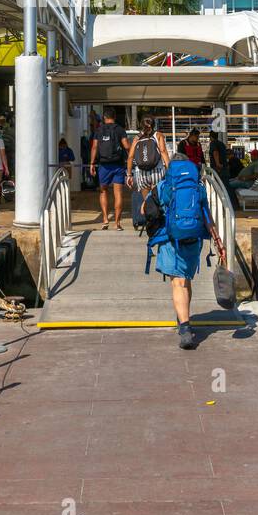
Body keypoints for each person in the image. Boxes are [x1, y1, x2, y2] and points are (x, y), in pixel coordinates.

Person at [144, 151, 215, 350]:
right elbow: (206, 216)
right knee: (186, 280)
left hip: (171, 239)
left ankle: (184, 328)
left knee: (178, 283)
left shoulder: (163, 186)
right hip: (193, 239)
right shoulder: (197, 187)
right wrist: (217, 240)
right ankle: (183, 316)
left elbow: (144, 210)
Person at [89, 106, 130, 230]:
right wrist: (131, 157)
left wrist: (92, 163)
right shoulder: (120, 129)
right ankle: (117, 223)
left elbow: (95, 147)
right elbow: (126, 146)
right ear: (115, 117)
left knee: (103, 191)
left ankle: (105, 219)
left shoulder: (99, 130)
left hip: (103, 165)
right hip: (118, 165)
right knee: (118, 194)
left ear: (104, 117)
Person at [126, 117, 169, 229]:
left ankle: (150, 223)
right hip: (157, 172)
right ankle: (160, 225)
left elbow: (130, 157)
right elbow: (163, 152)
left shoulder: (137, 138)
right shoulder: (158, 135)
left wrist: (129, 175)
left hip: (142, 174)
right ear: (153, 125)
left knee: (147, 201)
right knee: (158, 199)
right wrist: (170, 169)